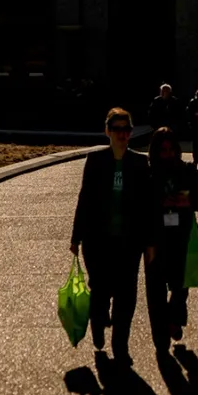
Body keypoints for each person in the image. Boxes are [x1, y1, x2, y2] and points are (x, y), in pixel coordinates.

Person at [70, 108, 159, 365]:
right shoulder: (95, 161)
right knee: (99, 291)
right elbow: (84, 199)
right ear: (107, 131)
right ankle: (97, 323)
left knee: (126, 295)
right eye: (117, 129)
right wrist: (76, 237)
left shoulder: (140, 163)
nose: (122, 134)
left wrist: (151, 242)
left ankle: (121, 344)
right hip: (98, 241)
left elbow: (148, 206)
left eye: (126, 130)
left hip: (129, 241)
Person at [145, 127, 198, 351]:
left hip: (182, 237)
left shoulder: (188, 171)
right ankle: (161, 337)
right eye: (163, 150)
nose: (168, 154)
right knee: (157, 292)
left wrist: (182, 200)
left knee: (181, 288)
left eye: (172, 149)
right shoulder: (148, 174)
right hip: (156, 238)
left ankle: (174, 319)